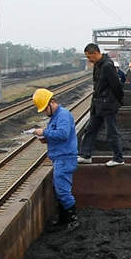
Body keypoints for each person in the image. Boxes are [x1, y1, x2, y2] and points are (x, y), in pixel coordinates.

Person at [32, 87, 78, 229]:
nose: (45, 113)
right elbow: (58, 135)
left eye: (45, 109)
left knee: (63, 190)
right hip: (60, 157)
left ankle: (72, 219)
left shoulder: (63, 115)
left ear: (52, 103)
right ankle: (64, 219)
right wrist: (47, 139)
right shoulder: (56, 117)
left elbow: (63, 134)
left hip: (65, 158)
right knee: (60, 189)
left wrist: (44, 132)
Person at [78, 42, 125, 165]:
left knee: (111, 132)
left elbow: (116, 86)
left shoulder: (107, 66)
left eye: (89, 57)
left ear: (95, 53)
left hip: (108, 105)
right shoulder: (98, 65)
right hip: (97, 104)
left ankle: (118, 158)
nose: (88, 60)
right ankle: (85, 155)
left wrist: (118, 101)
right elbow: (97, 87)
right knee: (90, 130)